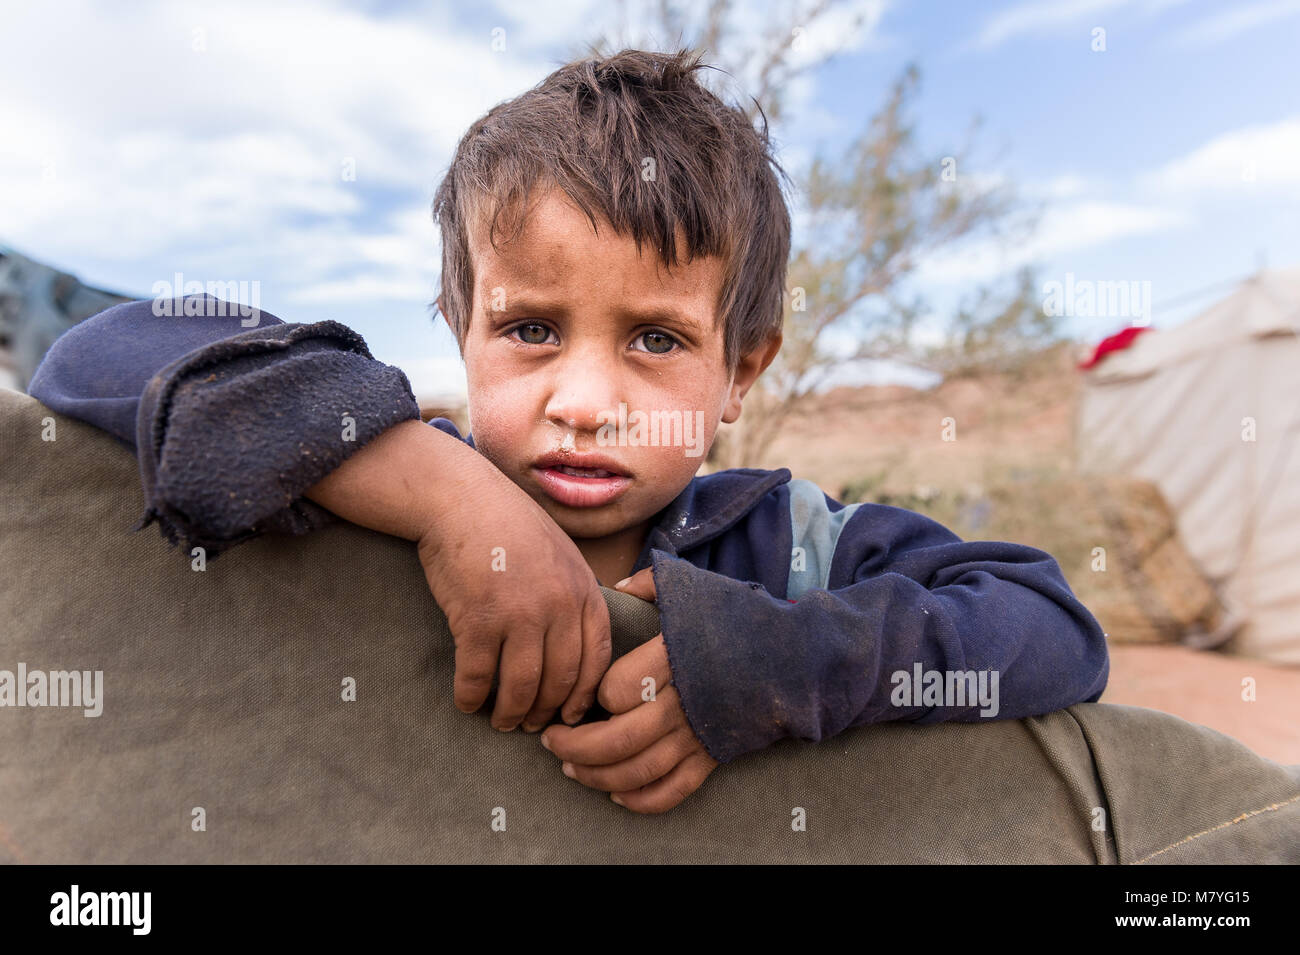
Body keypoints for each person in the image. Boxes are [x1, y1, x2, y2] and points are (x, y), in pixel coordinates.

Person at [28, 47, 1109, 815]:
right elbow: (87, 360)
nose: (584, 399)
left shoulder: (795, 547)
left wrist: (776, 660)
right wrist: (448, 498)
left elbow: (1051, 627)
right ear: (459, 332)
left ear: (741, 370)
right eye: (531, 328)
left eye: (654, 340)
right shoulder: (368, 475)